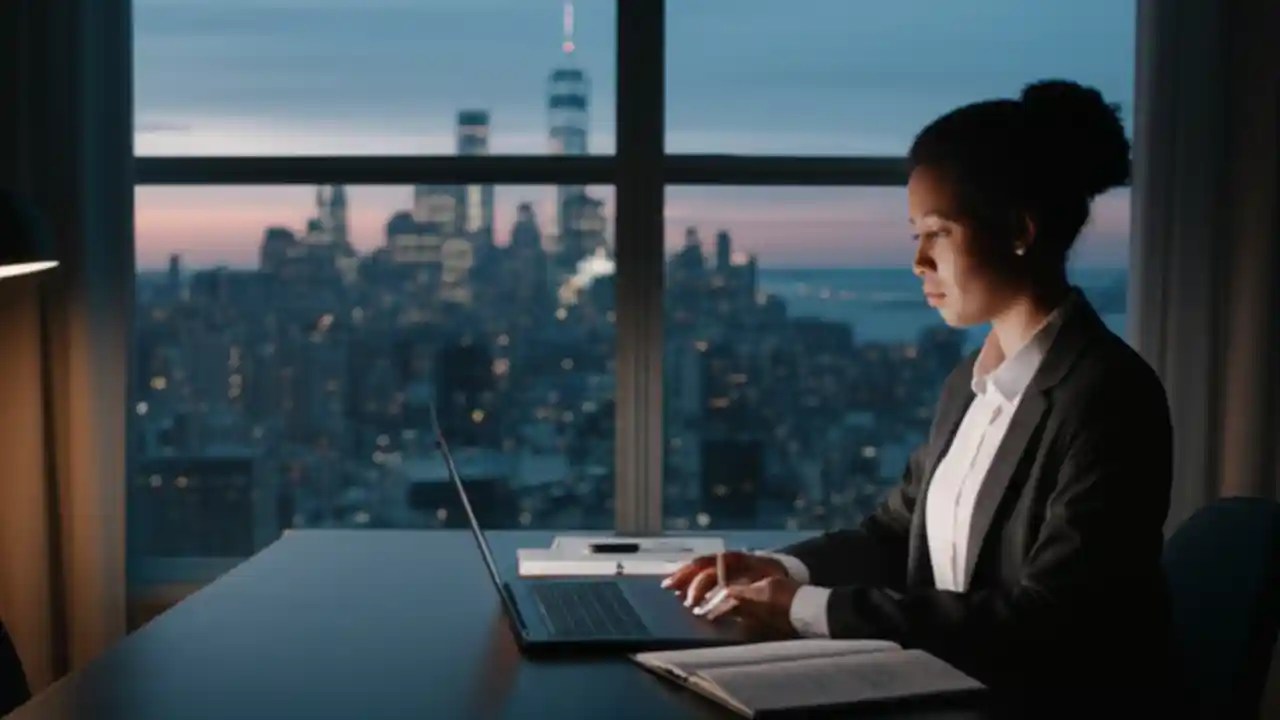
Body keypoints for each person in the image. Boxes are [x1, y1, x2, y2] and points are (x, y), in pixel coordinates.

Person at [662, 79, 1179, 711]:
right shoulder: (969, 385)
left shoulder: (1108, 398)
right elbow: (893, 533)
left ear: (1019, 230)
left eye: (937, 233)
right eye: (915, 235)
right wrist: (779, 570)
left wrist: (804, 610)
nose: (918, 263)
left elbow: (1050, 624)